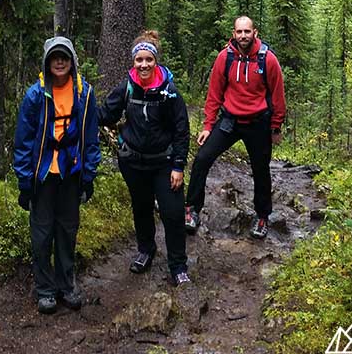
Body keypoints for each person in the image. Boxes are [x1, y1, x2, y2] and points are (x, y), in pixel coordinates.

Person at [14, 36, 100, 315]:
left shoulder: (84, 94)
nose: (60, 62)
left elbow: (91, 137)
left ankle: (66, 285)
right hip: (43, 175)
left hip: (71, 173)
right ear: (47, 62)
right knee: (42, 234)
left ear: (72, 61)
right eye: (55, 57)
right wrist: (25, 182)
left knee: (67, 231)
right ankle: (45, 290)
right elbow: (23, 141)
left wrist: (88, 176)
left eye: (64, 57)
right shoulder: (35, 96)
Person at [98, 30, 191, 285]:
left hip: (164, 163)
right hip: (133, 162)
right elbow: (105, 114)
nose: (143, 65)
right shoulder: (127, 87)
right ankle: (146, 250)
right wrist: (80, 106)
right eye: (139, 60)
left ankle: (178, 266)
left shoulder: (169, 92)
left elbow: (182, 130)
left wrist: (178, 165)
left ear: (156, 60)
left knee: (172, 213)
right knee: (141, 208)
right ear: (133, 61)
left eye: (148, 59)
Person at [185, 15, 285, 239]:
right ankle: (191, 209)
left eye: (247, 31)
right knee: (202, 158)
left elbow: (278, 96)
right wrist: (208, 125)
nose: (243, 36)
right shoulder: (225, 57)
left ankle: (262, 217)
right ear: (234, 34)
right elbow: (214, 93)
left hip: (258, 122)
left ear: (255, 33)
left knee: (261, 169)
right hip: (230, 120)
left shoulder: (268, 60)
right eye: (239, 32)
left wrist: (275, 127)